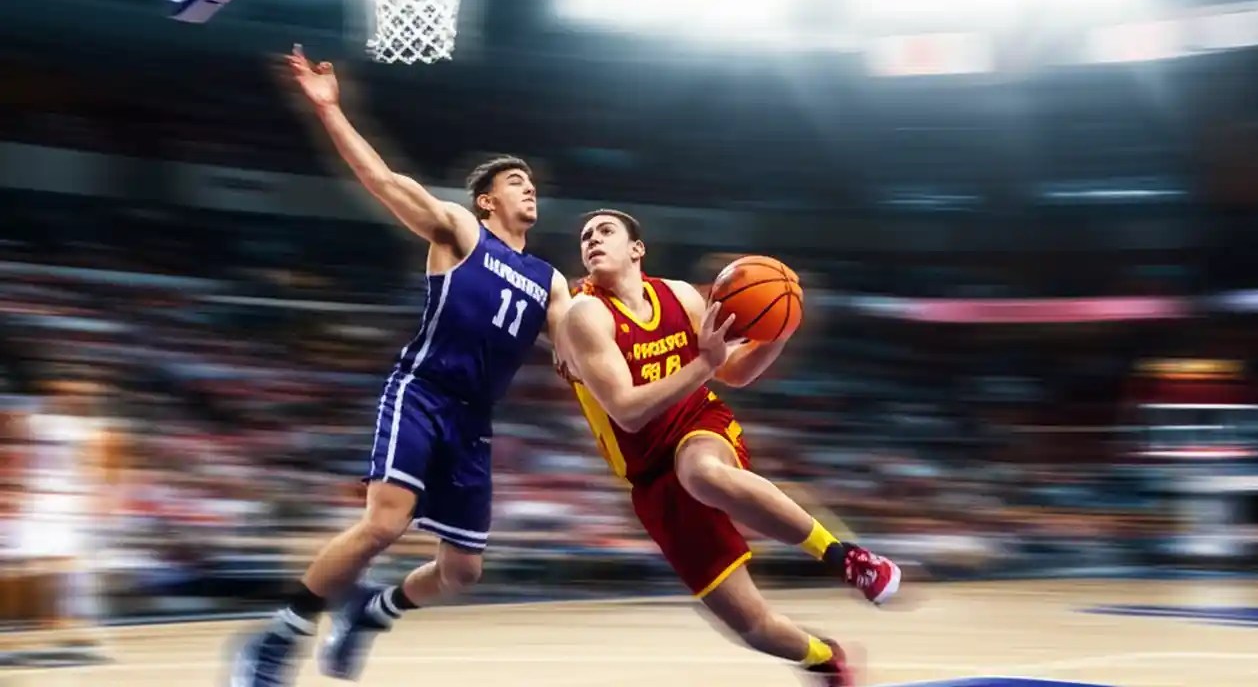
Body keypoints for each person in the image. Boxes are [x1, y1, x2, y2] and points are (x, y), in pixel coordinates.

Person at [229, 46, 573, 687]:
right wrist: (331, 110)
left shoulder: (551, 281)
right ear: (485, 201)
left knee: (463, 572)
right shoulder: (460, 234)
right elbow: (383, 181)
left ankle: (369, 612)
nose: (529, 187)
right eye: (515, 181)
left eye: (532, 182)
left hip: (473, 420)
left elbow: (582, 349)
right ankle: (277, 640)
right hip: (422, 392)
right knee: (384, 523)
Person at [555, 209, 902, 687]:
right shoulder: (585, 315)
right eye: (585, 235)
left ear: (637, 249)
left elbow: (735, 371)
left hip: (699, 425)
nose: (592, 239)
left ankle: (848, 558)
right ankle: (827, 660)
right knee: (751, 626)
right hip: (650, 475)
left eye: (606, 231)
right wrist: (705, 363)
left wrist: (777, 331)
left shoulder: (679, 296)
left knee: (702, 473)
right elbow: (627, 411)